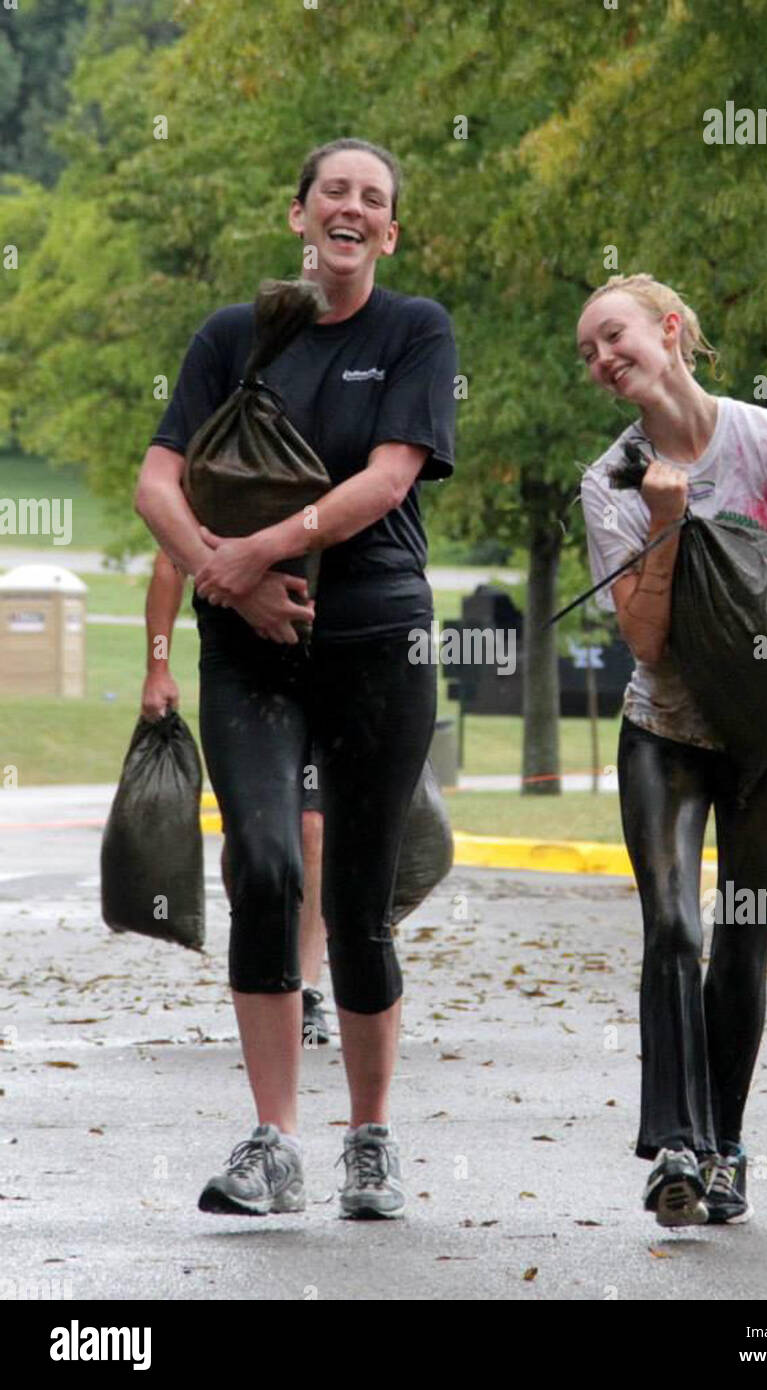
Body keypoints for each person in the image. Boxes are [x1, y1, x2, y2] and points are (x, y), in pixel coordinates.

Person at [134, 138, 457, 1219]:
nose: (352, 208)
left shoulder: (415, 331)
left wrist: (256, 550)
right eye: (334, 192)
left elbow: (388, 476)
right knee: (266, 865)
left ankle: (371, 1138)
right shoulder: (234, 337)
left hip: (378, 638)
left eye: (373, 198)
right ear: (299, 215)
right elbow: (157, 478)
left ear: (391, 230)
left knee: (359, 900)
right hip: (249, 649)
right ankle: (275, 1139)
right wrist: (229, 581)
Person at [578, 273, 767, 1228]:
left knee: (742, 946)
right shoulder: (610, 482)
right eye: (587, 353)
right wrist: (664, 526)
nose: (601, 359)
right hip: (665, 731)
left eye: (611, 335)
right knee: (673, 927)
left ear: (669, 331)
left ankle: (727, 1149)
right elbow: (648, 642)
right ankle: (676, 1147)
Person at [140, 548, 330, 1046]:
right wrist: (157, 668)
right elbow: (168, 565)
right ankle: (262, 940)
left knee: (312, 825)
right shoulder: (205, 473)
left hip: (323, 663)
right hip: (237, 670)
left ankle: (305, 989)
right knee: (253, 839)